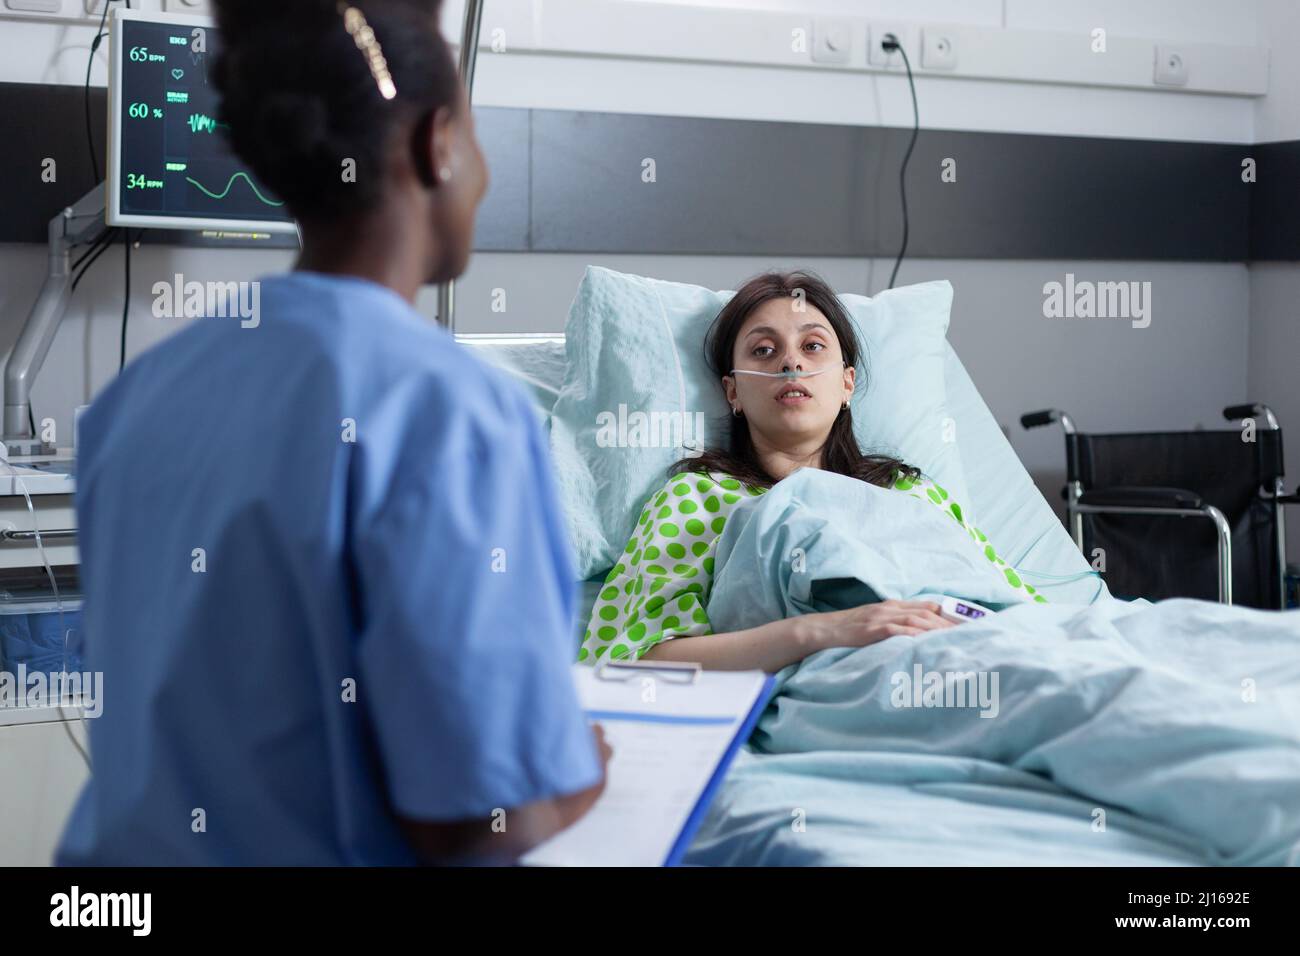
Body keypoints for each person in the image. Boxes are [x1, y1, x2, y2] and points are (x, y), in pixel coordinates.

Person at [58, 0, 607, 865]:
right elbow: (473, 824)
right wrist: (583, 777)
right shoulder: (447, 411)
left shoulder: (136, 397)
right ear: (438, 145)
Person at [578, 271, 1047, 671]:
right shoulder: (700, 499)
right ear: (733, 392)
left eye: (813, 345)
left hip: (986, 657)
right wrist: (822, 630)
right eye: (764, 350)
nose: (791, 362)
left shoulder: (911, 492)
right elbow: (635, 658)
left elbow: (1019, 609)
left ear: (847, 383)